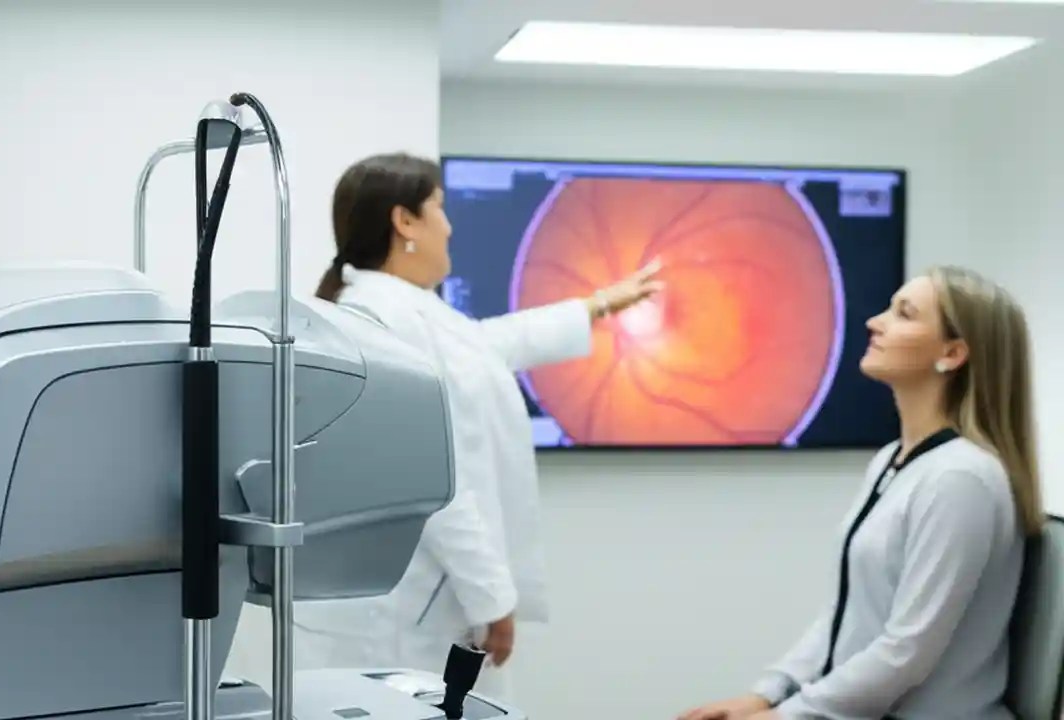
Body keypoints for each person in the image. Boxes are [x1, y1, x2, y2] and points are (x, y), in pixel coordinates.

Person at [291, 152, 662, 697]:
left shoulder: (406, 311)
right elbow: (429, 474)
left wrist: (600, 304)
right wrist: (492, 597)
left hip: (413, 604)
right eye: (439, 207)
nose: (451, 225)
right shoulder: (381, 317)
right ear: (405, 221)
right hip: (400, 617)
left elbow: (486, 346)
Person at [678, 265, 1044, 720]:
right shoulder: (894, 459)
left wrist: (786, 716)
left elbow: (906, 650)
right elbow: (846, 616)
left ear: (951, 353)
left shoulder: (960, 478)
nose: (875, 322)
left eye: (904, 314)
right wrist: (768, 693)